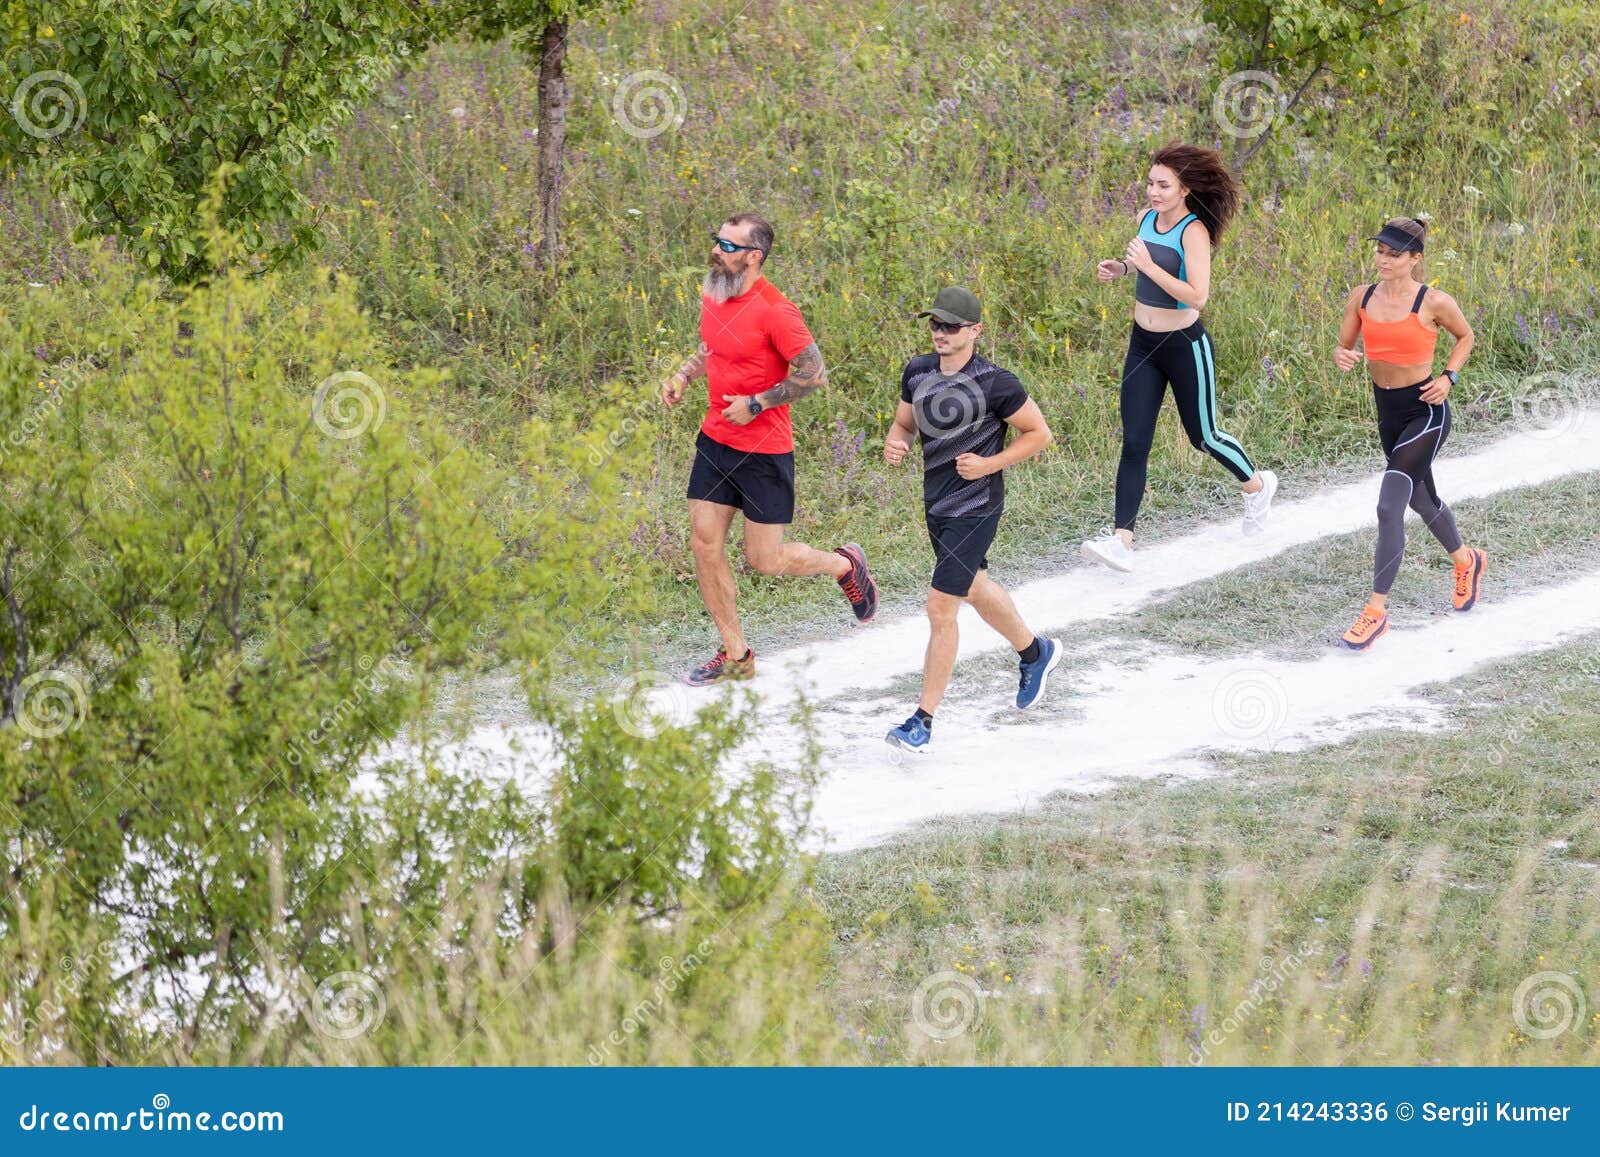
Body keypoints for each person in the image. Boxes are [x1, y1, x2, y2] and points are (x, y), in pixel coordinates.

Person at [662, 213, 877, 686]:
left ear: (754, 256)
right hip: (716, 440)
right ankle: (736, 654)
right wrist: (683, 374)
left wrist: (758, 403)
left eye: (728, 245)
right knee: (704, 544)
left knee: (767, 560)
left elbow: (813, 373)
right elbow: (712, 348)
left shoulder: (776, 310)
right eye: (717, 240)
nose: (717, 250)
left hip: (763, 450)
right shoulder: (713, 293)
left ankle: (845, 564)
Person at [882, 286, 1061, 753]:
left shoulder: (996, 382)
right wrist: (895, 442)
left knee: (942, 607)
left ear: (975, 331)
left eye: (951, 326)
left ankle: (922, 722)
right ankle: (1035, 652)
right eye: (935, 325)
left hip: (976, 506)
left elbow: (1038, 434)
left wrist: (988, 464)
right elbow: (903, 423)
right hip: (936, 503)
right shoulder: (918, 371)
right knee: (974, 586)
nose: (940, 334)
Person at [1083, 142, 1278, 572]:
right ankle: (1122, 541)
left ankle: (1258, 486)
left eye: (1163, 185)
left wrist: (1148, 267)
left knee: (1203, 436)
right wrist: (1123, 269)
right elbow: (1145, 262)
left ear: (1185, 189)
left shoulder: (1195, 232)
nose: (1153, 191)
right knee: (1135, 442)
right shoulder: (1144, 219)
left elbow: (1197, 295)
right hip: (1142, 345)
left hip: (1185, 344)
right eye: (1150, 182)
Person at [1332, 216, 1484, 650]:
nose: (1382, 259)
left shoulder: (1433, 301)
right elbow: (1346, 346)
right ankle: (1466, 560)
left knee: (1388, 506)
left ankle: (1375, 612)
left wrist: (1449, 377)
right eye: (1379, 251)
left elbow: (1465, 335)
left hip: (1426, 412)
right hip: (1388, 415)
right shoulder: (1361, 297)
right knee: (1420, 498)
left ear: (1415, 259)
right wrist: (1344, 356)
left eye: (1393, 254)